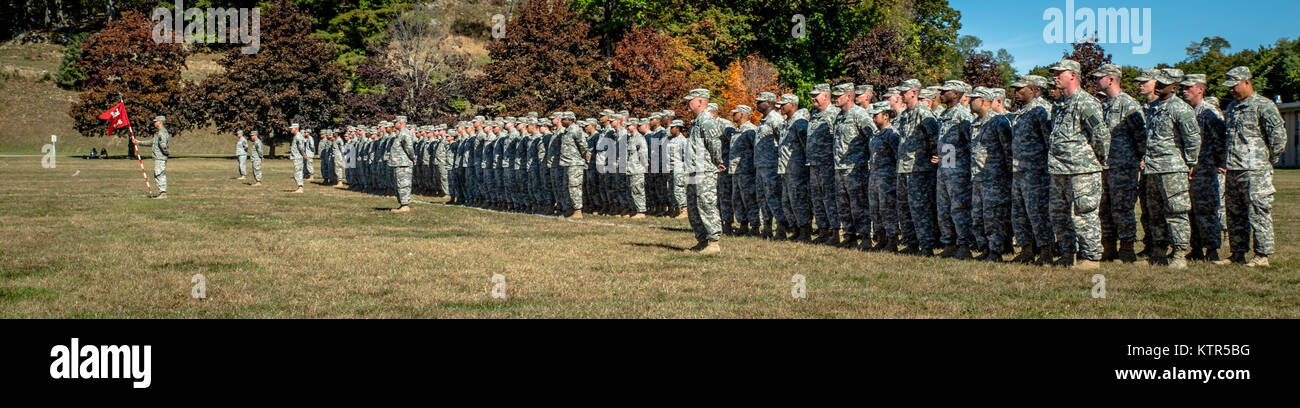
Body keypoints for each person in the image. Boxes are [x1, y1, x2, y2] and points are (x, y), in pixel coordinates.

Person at [1216, 66, 1287, 267]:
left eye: (1234, 85)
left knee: (1258, 212)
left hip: (1255, 170)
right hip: (1233, 168)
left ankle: (1262, 255)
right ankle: (1237, 253)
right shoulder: (1231, 108)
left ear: (1247, 82)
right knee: (1234, 214)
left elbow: (1278, 136)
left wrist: (1269, 160)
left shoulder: (1263, 105)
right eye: (1229, 87)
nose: (1231, 90)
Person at [1046, 59, 1111, 270]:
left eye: (1059, 73)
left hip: (1082, 170)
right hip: (1059, 169)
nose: (1055, 77)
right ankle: (1067, 253)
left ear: (1073, 75)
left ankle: (1091, 258)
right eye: (1054, 73)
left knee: (1084, 214)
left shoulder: (1087, 102)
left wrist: (1099, 160)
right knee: (1059, 214)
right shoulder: (1059, 105)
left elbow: (1101, 136)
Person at [1139, 68, 1201, 269]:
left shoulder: (1180, 109)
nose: (1157, 86)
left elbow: (1192, 139)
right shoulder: (1153, 107)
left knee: (1176, 212)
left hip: (1172, 169)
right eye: (1156, 82)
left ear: (1174, 87)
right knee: (1154, 212)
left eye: (1162, 84)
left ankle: (1179, 253)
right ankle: (1158, 252)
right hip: (1153, 169)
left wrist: (1190, 163)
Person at [1093, 64, 1146, 263]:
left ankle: (1126, 248)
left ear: (1111, 79)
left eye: (1100, 77)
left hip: (1123, 167)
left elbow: (1141, 137)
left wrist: (1137, 159)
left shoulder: (1129, 104)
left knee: (1122, 208)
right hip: (1104, 166)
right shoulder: (1103, 105)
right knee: (1103, 208)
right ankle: (1108, 247)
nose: (1096, 81)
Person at [1181, 73, 1227, 263]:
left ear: (1200, 89)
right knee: (1190, 211)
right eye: (1182, 87)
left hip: (1206, 169)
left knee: (1206, 210)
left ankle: (1212, 250)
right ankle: (1196, 248)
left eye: (1188, 87)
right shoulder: (1187, 111)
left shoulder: (1208, 112)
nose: (1184, 91)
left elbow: (1220, 140)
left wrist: (1219, 163)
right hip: (1190, 169)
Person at [968, 87, 1014, 261]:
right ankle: (986, 248)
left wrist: (1008, 174)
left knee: (994, 217)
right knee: (978, 217)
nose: (971, 102)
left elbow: (1008, 149)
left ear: (984, 101)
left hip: (994, 178)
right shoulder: (975, 122)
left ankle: (996, 251)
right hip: (978, 177)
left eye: (974, 99)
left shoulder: (998, 121)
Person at [934, 80, 975, 259]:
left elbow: (970, 143)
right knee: (943, 209)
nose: (941, 93)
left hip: (957, 170)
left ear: (956, 94)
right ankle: (948, 244)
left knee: (959, 209)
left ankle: (963, 245)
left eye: (945, 90)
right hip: (944, 168)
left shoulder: (962, 115)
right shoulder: (944, 114)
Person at [682, 88, 725, 254]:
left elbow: (714, 144)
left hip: (704, 170)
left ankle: (713, 242)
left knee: (706, 204)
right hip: (694, 170)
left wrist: (716, 161)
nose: (688, 103)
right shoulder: (696, 121)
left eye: (690, 100)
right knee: (694, 206)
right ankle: (702, 240)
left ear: (700, 101)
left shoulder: (706, 120)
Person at [133, 115, 170, 199]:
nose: (154, 123)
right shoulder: (159, 133)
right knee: (157, 174)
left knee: (159, 174)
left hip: (160, 157)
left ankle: (163, 193)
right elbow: (151, 142)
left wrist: (165, 151)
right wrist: (138, 142)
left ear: (160, 122)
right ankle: (162, 192)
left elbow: (163, 144)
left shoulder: (162, 133)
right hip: (158, 157)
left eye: (155, 121)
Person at [289, 123, 307, 193]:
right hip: (296, 156)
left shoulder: (298, 136)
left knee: (298, 172)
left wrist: (304, 154)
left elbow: (301, 147)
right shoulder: (296, 136)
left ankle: (300, 187)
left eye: (292, 128)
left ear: (296, 129)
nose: (290, 129)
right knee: (297, 172)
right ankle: (299, 187)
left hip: (298, 157)